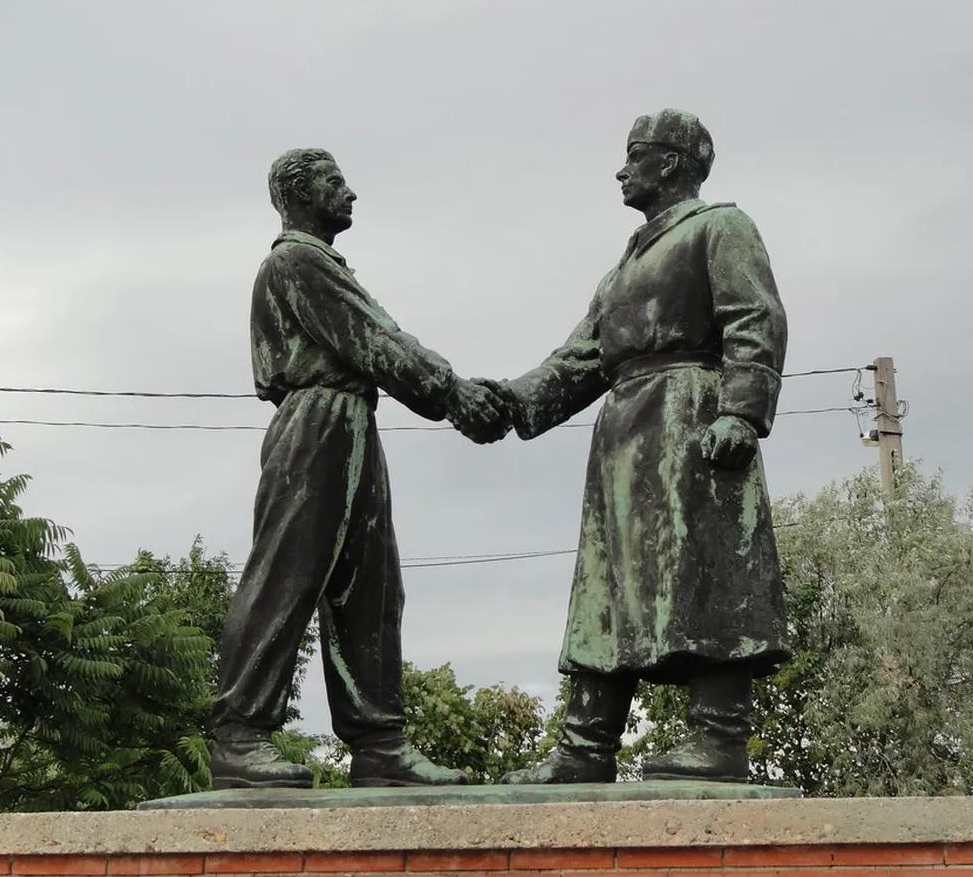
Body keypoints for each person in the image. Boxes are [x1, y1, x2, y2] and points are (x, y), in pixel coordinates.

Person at [487, 110, 789, 784]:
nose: (622, 169)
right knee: (608, 586)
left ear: (673, 164)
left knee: (710, 576)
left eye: (635, 155)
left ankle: (719, 740)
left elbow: (754, 317)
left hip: (693, 422)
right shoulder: (623, 268)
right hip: (626, 435)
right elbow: (580, 359)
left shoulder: (720, 227)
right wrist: (505, 402)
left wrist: (742, 411)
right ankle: (585, 747)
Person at [209, 148, 511, 789]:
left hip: (351, 421)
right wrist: (451, 392)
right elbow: (373, 338)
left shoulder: (317, 262)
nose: (350, 194)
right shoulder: (296, 261)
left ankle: (378, 746)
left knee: (371, 586)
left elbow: (375, 339)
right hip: (316, 423)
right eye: (334, 182)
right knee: (284, 577)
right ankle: (239, 735)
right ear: (300, 192)